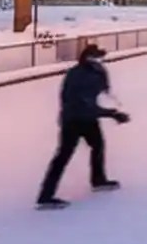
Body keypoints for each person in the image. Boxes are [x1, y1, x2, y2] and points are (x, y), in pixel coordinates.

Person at [36, 45, 130, 209]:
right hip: (74, 120)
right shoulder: (79, 76)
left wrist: (112, 108)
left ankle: (98, 180)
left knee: (98, 145)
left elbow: (101, 94)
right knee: (63, 156)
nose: (101, 61)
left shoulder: (96, 72)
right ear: (89, 59)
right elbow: (83, 103)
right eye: (98, 58)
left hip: (87, 118)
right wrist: (112, 114)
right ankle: (45, 196)